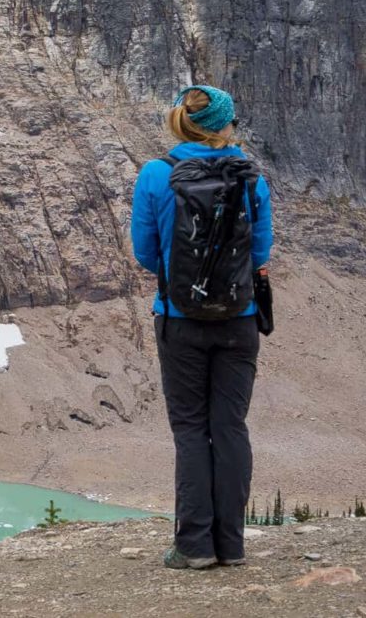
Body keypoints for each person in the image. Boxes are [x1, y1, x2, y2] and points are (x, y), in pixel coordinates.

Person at [129, 83, 273, 570]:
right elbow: (260, 254)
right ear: (226, 125)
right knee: (229, 427)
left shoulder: (156, 175)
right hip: (240, 321)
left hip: (179, 320)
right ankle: (231, 546)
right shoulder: (251, 178)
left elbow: (146, 254)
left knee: (191, 430)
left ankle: (193, 546)